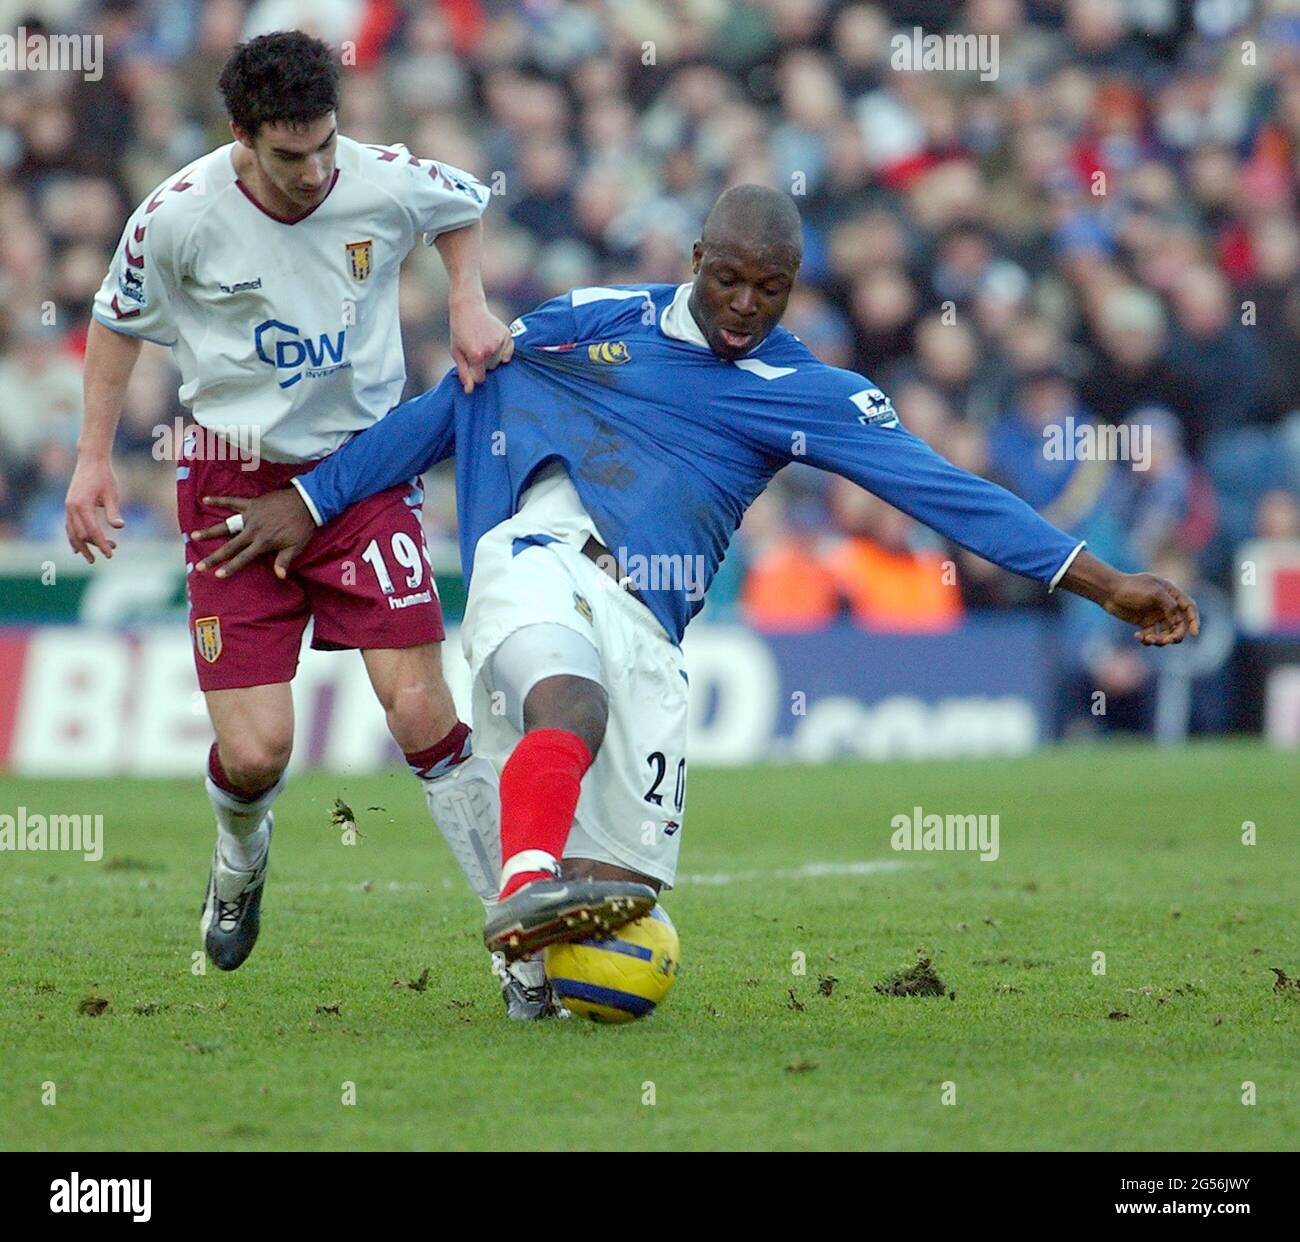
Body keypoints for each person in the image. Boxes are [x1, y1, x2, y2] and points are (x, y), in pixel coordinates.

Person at [191, 185, 1200, 1018]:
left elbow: (947, 492)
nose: (744, 305)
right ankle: (521, 885)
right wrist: (314, 497)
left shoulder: (808, 392)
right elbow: (445, 407)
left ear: (793, 288)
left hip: (652, 627)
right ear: (693, 256)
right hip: (536, 558)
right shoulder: (587, 323)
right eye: (727, 277)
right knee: (565, 703)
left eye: (769, 288)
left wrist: (1104, 581)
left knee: (624, 895)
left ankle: (535, 952)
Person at [62, 32, 522, 998]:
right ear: (240, 136)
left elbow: (464, 205)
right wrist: (93, 459)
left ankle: (516, 936)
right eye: (288, 154)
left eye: (325, 145)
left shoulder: (380, 179)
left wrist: (467, 302)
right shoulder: (178, 216)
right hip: (231, 480)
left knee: (422, 708)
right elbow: (114, 320)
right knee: (257, 749)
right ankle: (240, 862)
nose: (315, 171)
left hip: (361, 471)